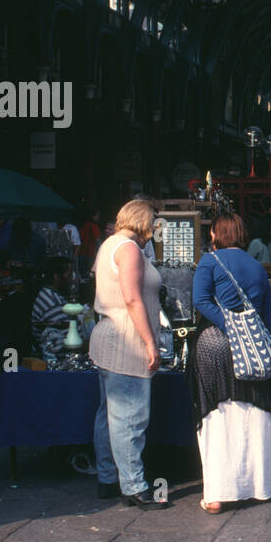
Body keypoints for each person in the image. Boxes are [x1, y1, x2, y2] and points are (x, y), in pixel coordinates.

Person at [189, 212, 271, 513]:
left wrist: (229, 326)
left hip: (215, 343)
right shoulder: (257, 266)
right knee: (253, 415)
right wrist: (251, 334)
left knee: (217, 417)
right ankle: (259, 486)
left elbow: (200, 301)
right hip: (252, 345)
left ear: (216, 234)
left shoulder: (209, 261)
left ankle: (217, 493)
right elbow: (266, 315)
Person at [90, 199, 168, 508]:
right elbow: (133, 300)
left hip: (107, 337)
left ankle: (108, 478)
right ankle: (134, 486)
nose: (153, 232)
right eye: (152, 225)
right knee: (131, 418)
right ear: (143, 222)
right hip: (127, 341)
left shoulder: (109, 244)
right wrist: (150, 343)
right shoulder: (130, 249)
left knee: (108, 415)